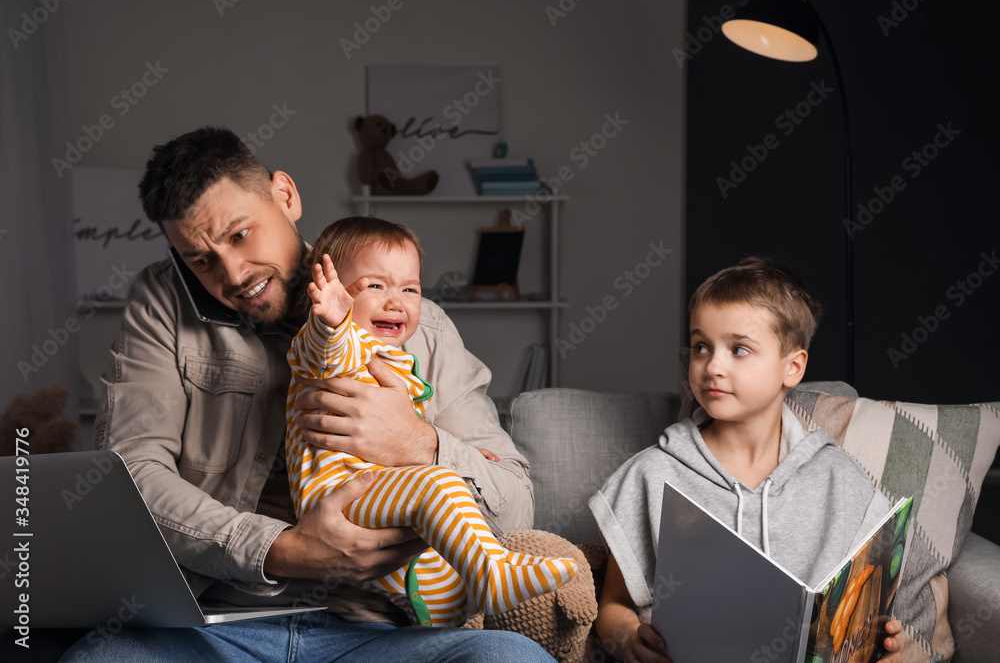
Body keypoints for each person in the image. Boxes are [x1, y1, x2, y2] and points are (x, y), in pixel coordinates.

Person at [62, 127, 554, 661]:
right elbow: (131, 479)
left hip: (384, 631)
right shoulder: (162, 304)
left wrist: (419, 442)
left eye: (240, 235)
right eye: (200, 260)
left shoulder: (416, 324)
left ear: (286, 196)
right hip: (212, 624)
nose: (233, 274)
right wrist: (282, 551)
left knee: (511, 657)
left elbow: (515, 509)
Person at [588, 257, 906, 662]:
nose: (712, 366)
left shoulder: (838, 478)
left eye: (739, 349)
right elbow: (613, 605)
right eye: (701, 346)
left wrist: (893, 645)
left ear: (792, 367)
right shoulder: (652, 473)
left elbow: (870, 604)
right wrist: (629, 638)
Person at [285, 216, 576, 626]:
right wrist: (329, 320)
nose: (395, 301)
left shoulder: (400, 358)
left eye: (410, 289)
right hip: (339, 498)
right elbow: (325, 350)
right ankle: (493, 575)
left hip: (384, 497)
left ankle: (459, 609)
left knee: (442, 562)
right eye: (374, 285)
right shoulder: (338, 346)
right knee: (438, 483)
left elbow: (408, 435)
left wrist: (452, 450)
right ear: (330, 295)